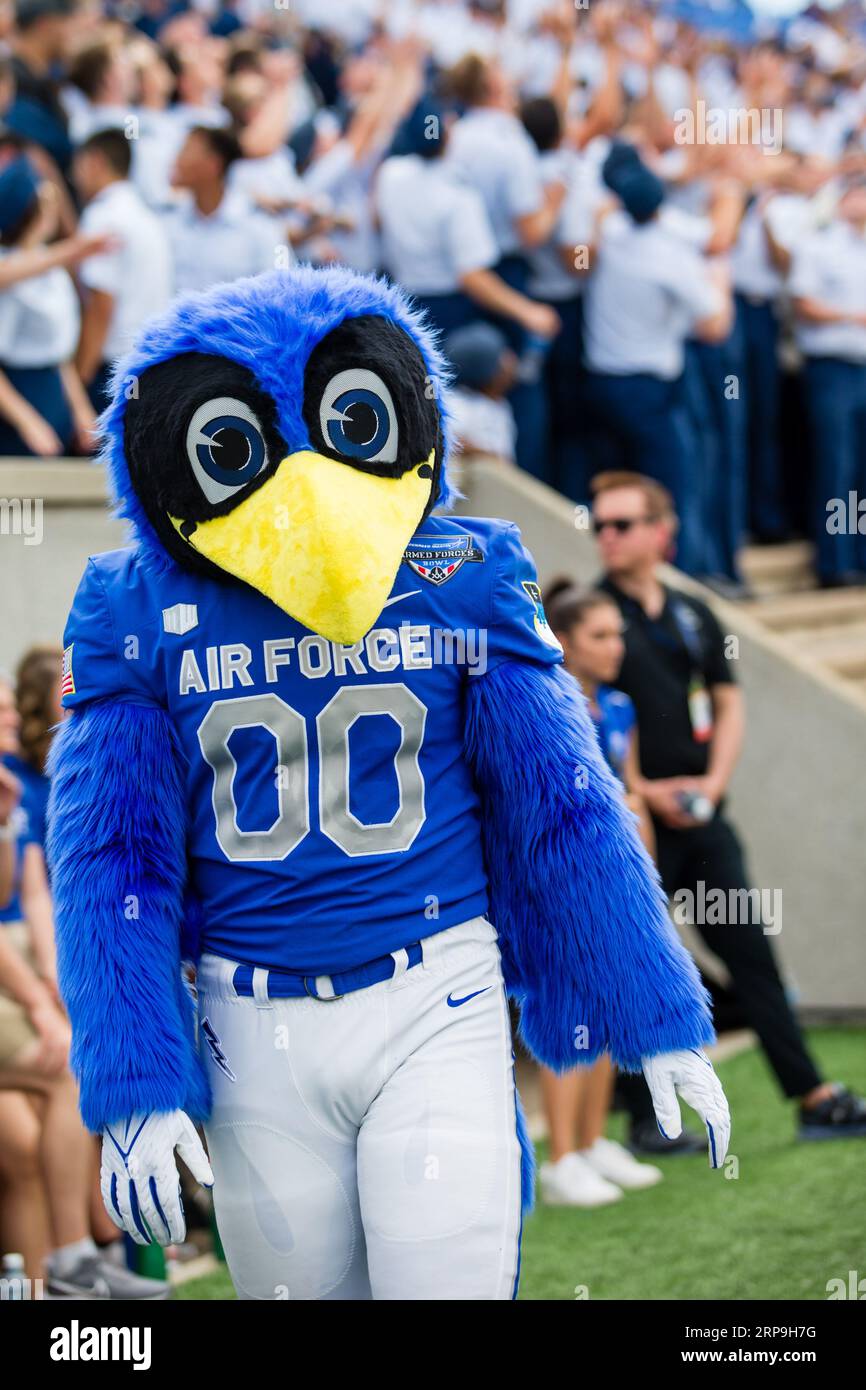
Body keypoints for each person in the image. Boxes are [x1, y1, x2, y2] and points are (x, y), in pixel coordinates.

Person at [592, 469, 866, 1144]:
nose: (606, 537)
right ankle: (644, 1119)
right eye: (598, 525)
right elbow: (586, 717)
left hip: (703, 819)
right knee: (638, 968)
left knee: (752, 956)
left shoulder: (692, 611)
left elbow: (729, 700)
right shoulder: (590, 618)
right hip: (635, 827)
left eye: (622, 524)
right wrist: (647, 795)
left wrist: (710, 787)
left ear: (662, 532)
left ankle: (812, 1095)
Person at [0, 672, 167, 1295]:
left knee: (18, 1134)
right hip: (8, 977)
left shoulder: (13, 787)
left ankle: (47, 1290)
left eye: (14, 709)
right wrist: (43, 1003)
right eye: (2, 712)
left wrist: (51, 979)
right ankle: (78, 1256)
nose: (12, 720)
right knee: (73, 1068)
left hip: (16, 972)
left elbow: (32, 893)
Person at [533, 579, 661, 1207]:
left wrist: (647, 880)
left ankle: (590, 1143)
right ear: (564, 641)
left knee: (607, 1011)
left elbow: (634, 793)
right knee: (571, 1015)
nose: (616, 647)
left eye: (619, 633)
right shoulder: (543, 706)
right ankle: (560, 1158)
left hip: (616, 880)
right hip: (561, 881)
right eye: (601, 635)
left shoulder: (620, 707)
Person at [582, 142, 732, 575]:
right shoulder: (669, 256)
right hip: (650, 391)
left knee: (613, 489)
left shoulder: (610, 234)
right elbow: (715, 325)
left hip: (601, 381)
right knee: (669, 493)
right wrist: (719, 279)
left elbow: (601, 219)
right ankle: (678, 581)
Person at [376, 98, 558, 347]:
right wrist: (528, 312)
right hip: (450, 311)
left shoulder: (390, 173)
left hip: (404, 304)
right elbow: (472, 276)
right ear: (447, 136)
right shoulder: (457, 194)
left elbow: (377, 220)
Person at [790, 175, 866, 587]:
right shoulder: (819, 244)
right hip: (831, 366)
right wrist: (850, 318)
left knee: (860, 468)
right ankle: (833, 562)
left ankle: (859, 555)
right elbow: (802, 302)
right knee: (835, 464)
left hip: (862, 366)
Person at [0, 153, 95, 456]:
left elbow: (58, 353)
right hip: (19, 399)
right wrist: (27, 422)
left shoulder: (51, 270)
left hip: (52, 396)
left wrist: (80, 409)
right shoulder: (10, 272)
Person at [72, 127, 172, 411]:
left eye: (77, 165)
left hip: (110, 370)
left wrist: (81, 377)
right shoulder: (147, 217)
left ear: (95, 161)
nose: (74, 176)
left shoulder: (102, 216)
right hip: (148, 364)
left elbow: (101, 304)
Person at [164, 124, 285, 295]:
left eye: (187, 151)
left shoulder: (258, 225)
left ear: (213, 164)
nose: (177, 161)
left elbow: (281, 291)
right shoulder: (169, 221)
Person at [444, 320, 518, 465]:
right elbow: (444, 439)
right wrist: (482, 453)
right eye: (504, 358)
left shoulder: (501, 404)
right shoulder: (460, 403)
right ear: (487, 373)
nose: (513, 360)